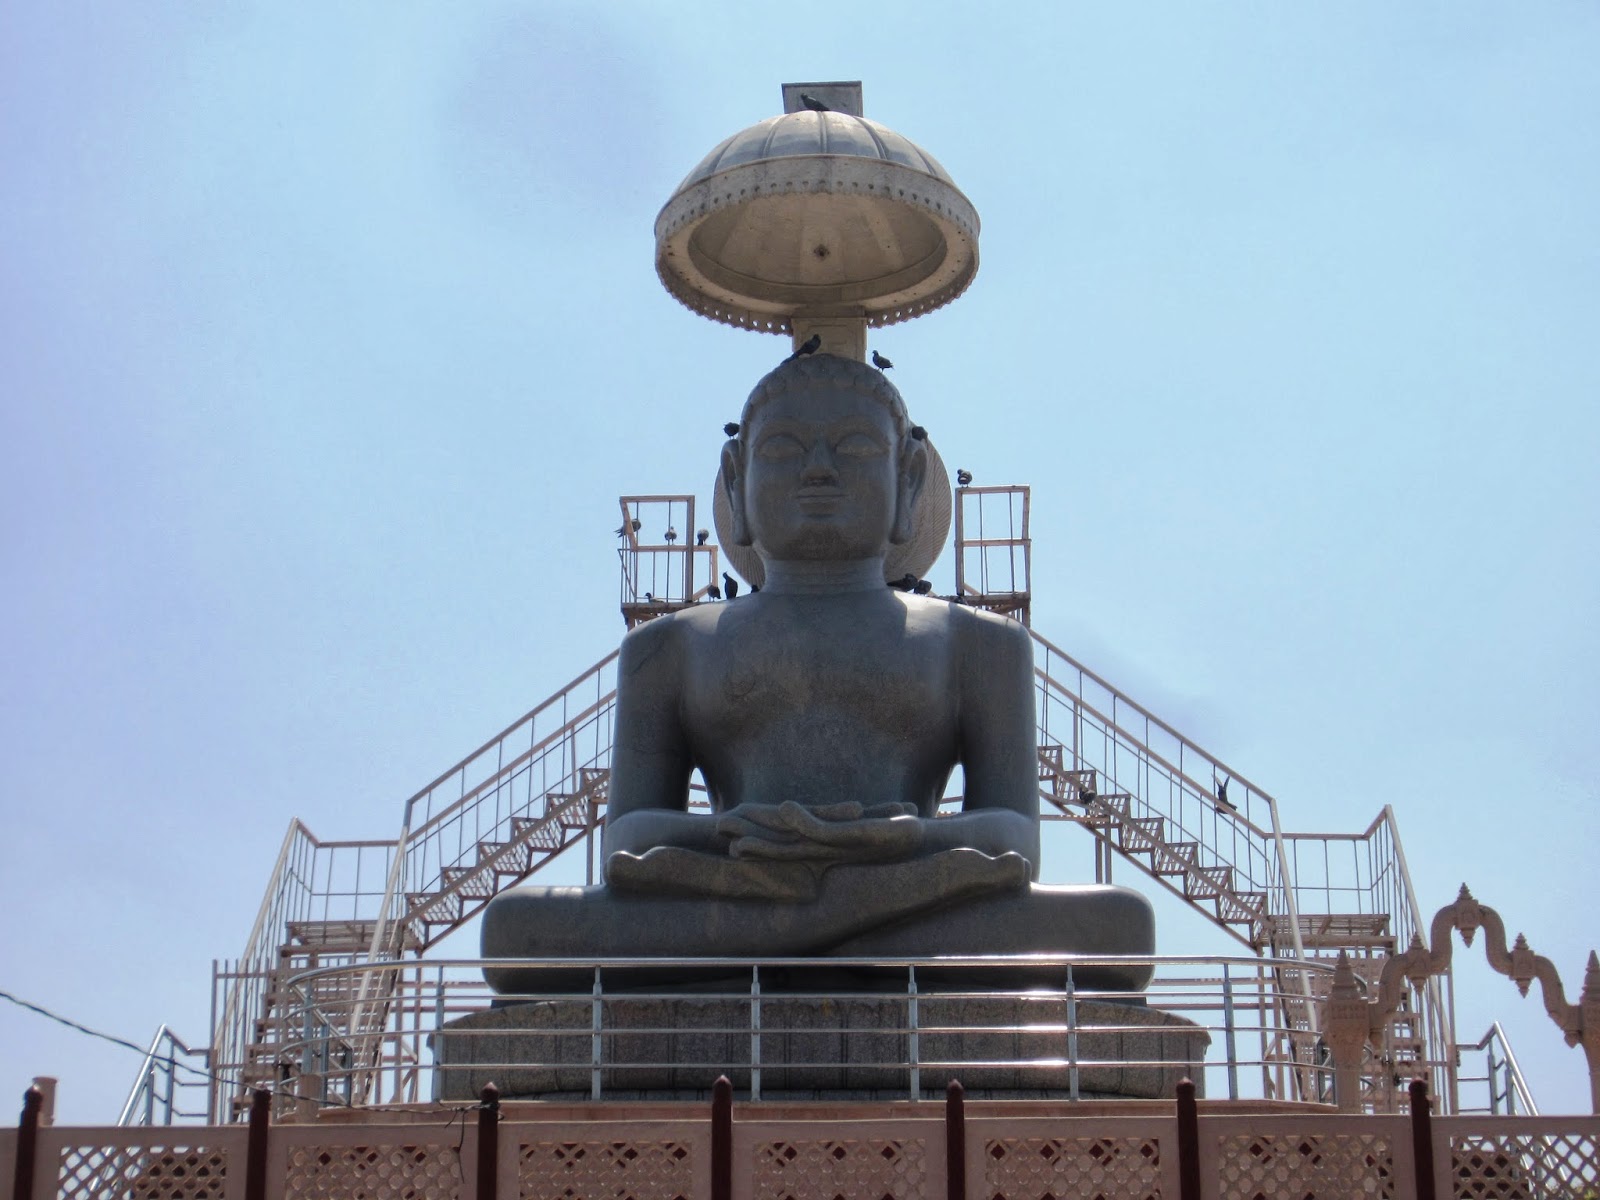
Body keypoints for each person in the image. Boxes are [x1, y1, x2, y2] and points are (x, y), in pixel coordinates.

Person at [482, 354, 1153, 992]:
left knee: (1117, 924)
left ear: (909, 479)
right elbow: (628, 837)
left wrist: (900, 839)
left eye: (857, 447)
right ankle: (833, 928)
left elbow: (1014, 838)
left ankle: (802, 932)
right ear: (737, 480)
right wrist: (742, 836)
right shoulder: (672, 646)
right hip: (744, 891)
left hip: (907, 894)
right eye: (784, 450)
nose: (820, 471)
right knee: (517, 930)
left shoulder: (978, 643)